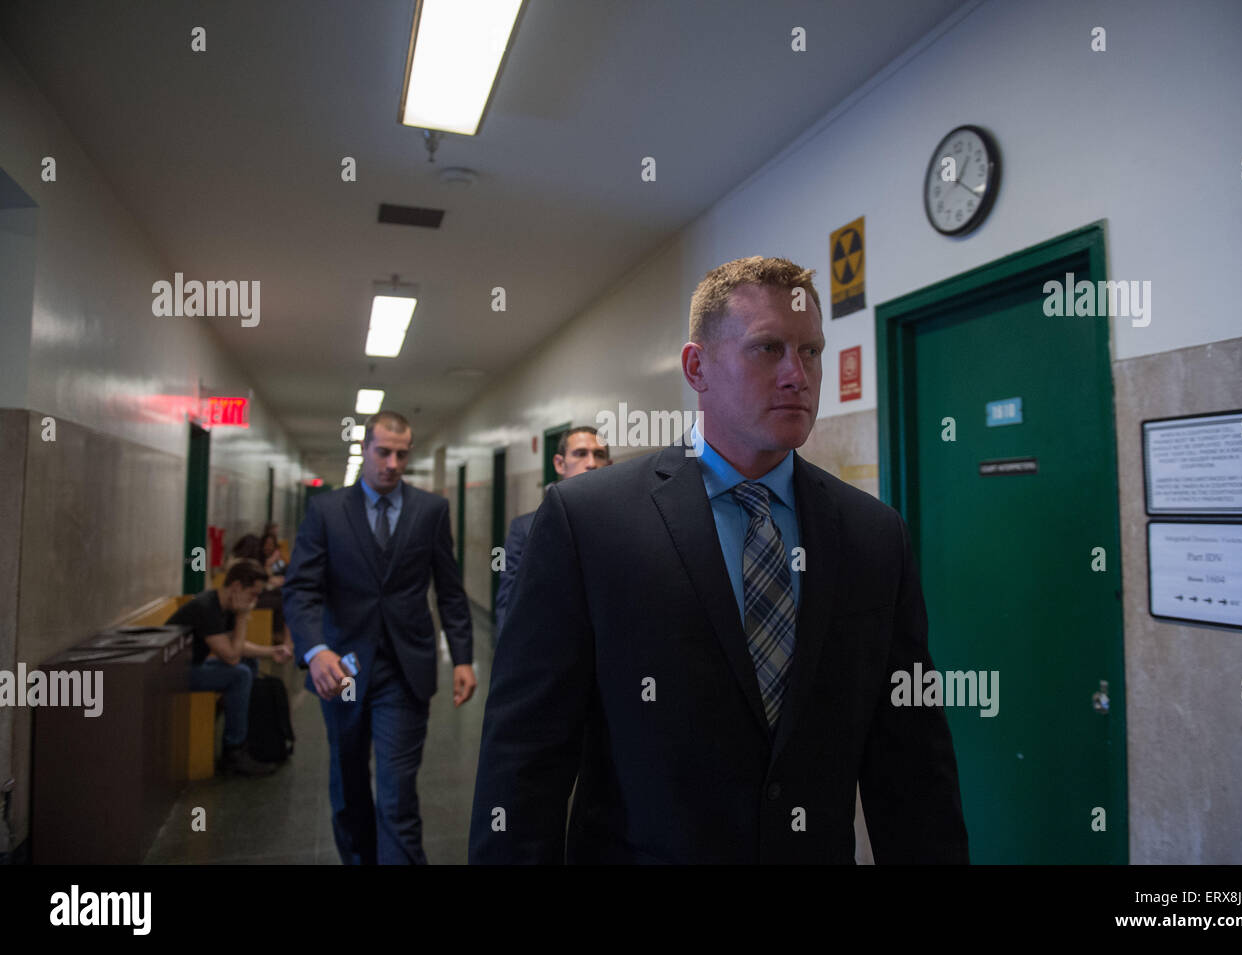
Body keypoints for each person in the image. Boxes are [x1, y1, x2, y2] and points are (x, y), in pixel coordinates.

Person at [469, 256, 968, 864]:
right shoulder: (590, 522)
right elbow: (526, 755)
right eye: (768, 349)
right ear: (696, 367)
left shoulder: (872, 535)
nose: (798, 375)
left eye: (811, 352)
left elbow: (911, 761)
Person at [283, 410, 477, 865]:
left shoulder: (431, 510)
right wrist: (314, 650)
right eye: (383, 452)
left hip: (405, 669)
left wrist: (464, 657)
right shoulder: (327, 511)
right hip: (342, 670)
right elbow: (301, 589)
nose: (392, 463)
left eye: (402, 454)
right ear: (366, 448)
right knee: (349, 786)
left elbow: (448, 589)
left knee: (397, 795)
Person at [167, 559, 292, 776]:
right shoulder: (206, 608)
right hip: (172, 674)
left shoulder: (221, 604)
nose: (254, 601)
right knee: (240, 674)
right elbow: (232, 657)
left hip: (192, 665)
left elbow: (235, 646)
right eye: (253, 594)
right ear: (236, 587)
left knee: (249, 663)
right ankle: (233, 751)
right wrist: (243, 617)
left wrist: (271, 652)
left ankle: (240, 725)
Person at [493, 426, 611, 642]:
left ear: (609, 466)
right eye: (580, 453)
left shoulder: (622, 525)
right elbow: (509, 601)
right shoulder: (525, 529)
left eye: (599, 455)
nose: (591, 463)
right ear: (559, 463)